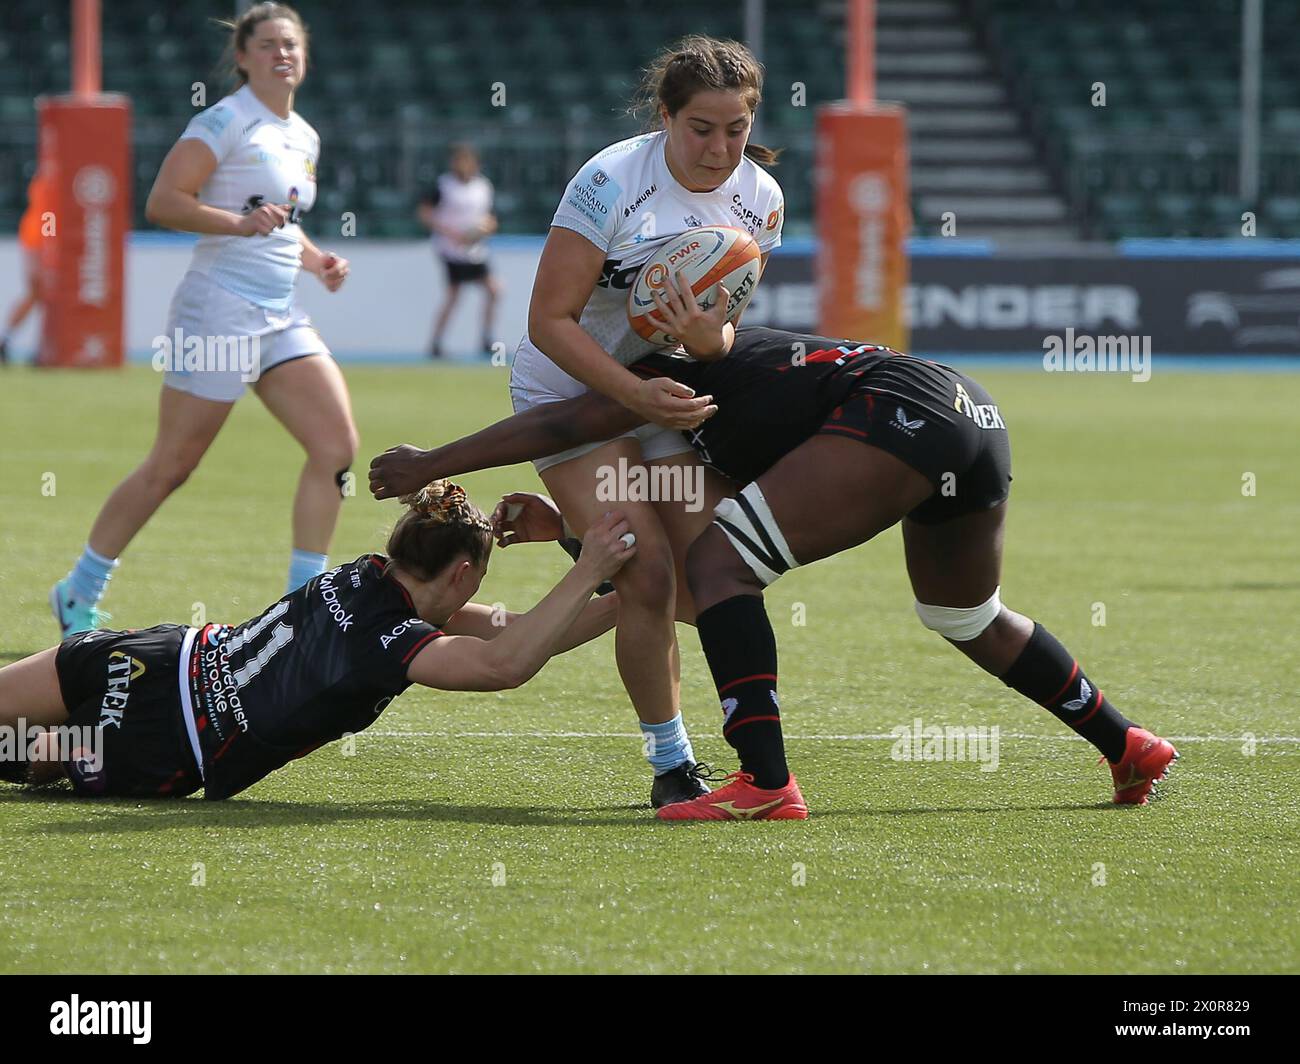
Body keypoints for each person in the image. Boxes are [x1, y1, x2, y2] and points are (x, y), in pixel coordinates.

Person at [370, 325, 1179, 821]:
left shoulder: (667, 374)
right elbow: (674, 499)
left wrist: (431, 461)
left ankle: (764, 780)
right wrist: (564, 531)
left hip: (900, 412)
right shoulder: (728, 376)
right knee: (965, 616)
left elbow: (562, 421)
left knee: (722, 559)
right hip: (971, 412)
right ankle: (1127, 744)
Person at [506, 34, 786, 807]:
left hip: (661, 391)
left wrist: (708, 342)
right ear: (666, 116)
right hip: (569, 393)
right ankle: (672, 763)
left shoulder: (759, 200)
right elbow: (549, 320)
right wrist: (629, 398)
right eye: (701, 128)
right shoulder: (608, 181)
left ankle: (574, 536)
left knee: (708, 577)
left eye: (736, 129)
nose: (720, 147)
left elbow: (720, 330)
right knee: (646, 566)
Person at [1, 481, 631, 799]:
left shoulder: (366, 574)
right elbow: (505, 663)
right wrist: (592, 570)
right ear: (463, 574)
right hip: (171, 739)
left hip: (154, 658)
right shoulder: (391, 641)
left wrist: (616, 591)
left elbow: (519, 635)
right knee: (30, 755)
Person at [49, 2, 357, 638]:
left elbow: (282, 223)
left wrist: (316, 260)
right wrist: (238, 224)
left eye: (291, 44)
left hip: (280, 314)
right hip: (217, 310)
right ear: (242, 57)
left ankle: (300, 609)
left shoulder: (303, 135)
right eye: (268, 44)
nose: (282, 54)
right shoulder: (224, 120)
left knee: (336, 448)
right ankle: (78, 591)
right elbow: (165, 201)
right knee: (173, 465)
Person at [417, 144, 501, 359]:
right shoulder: (444, 186)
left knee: (494, 290)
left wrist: (483, 230)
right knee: (454, 295)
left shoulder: (483, 187)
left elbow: (490, 218)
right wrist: (450, 233)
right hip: (450, 250)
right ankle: (436, 343)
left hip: (474, 250)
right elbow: (425, 213)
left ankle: (486, 338)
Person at [0, 169, 50, 365]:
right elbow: (49, 213)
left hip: (36, 236)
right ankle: (7, 340)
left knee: (39, 294)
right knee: (39, 291)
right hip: (37, 238)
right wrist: (50, 241)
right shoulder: (52, 174)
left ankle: (9, 340)